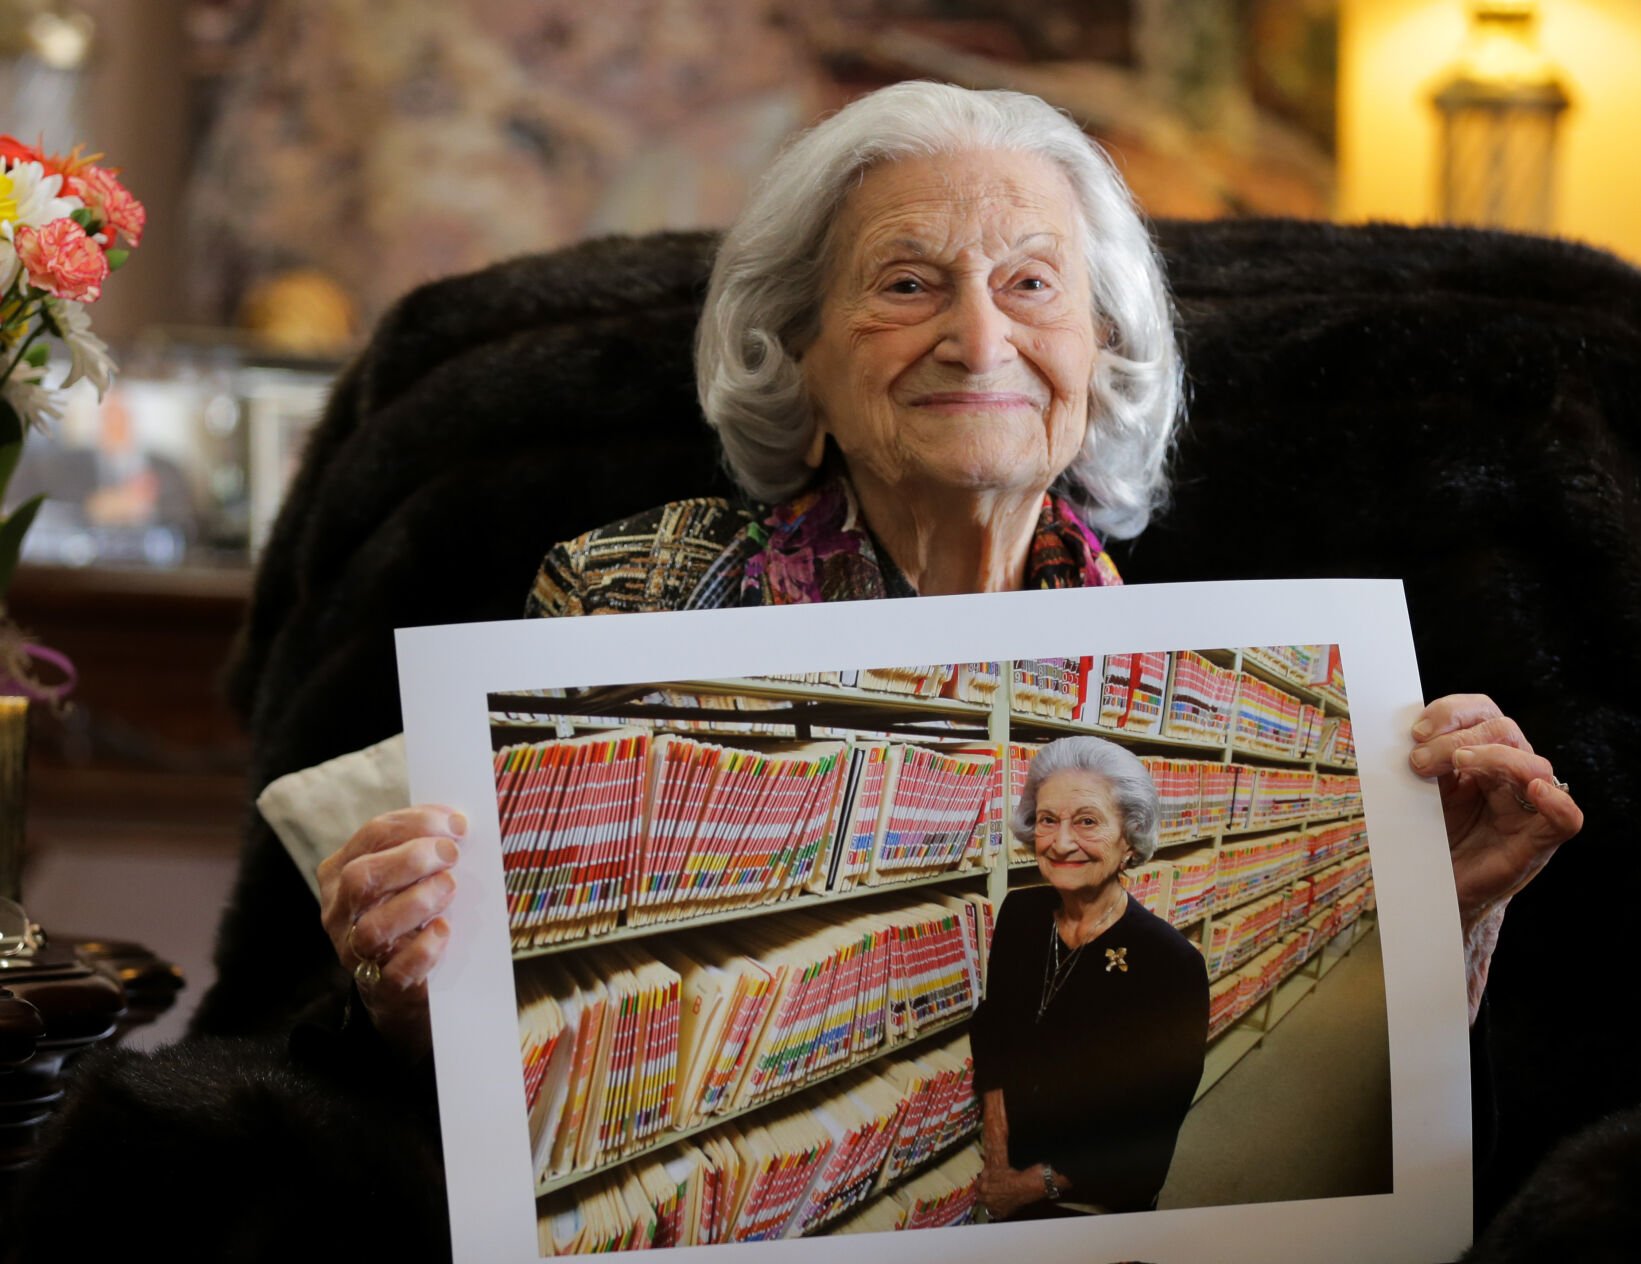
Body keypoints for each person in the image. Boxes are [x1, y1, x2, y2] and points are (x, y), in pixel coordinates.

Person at [317, 83, 1581, 1076]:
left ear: (1100, 353)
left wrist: (1445, 910)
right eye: (908, 283)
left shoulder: (1235, 683)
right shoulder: (623, 602)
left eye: (1031, 284)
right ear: (798, 353)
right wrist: (418, 996)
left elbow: (1280, 1080)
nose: (979, 340)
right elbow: (533, 1063)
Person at [970, 736, 1207, 1219]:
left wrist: (1030, 1186)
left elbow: (1150, 1130)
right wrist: (996, 1145)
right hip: (1007, 1166)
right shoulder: (1020, 914)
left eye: (1087, 821)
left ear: (1130, 839)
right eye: (1047, 820)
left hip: (1091, 1198)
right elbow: (994, 1029)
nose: (1060, 843)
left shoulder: (1171, 963)